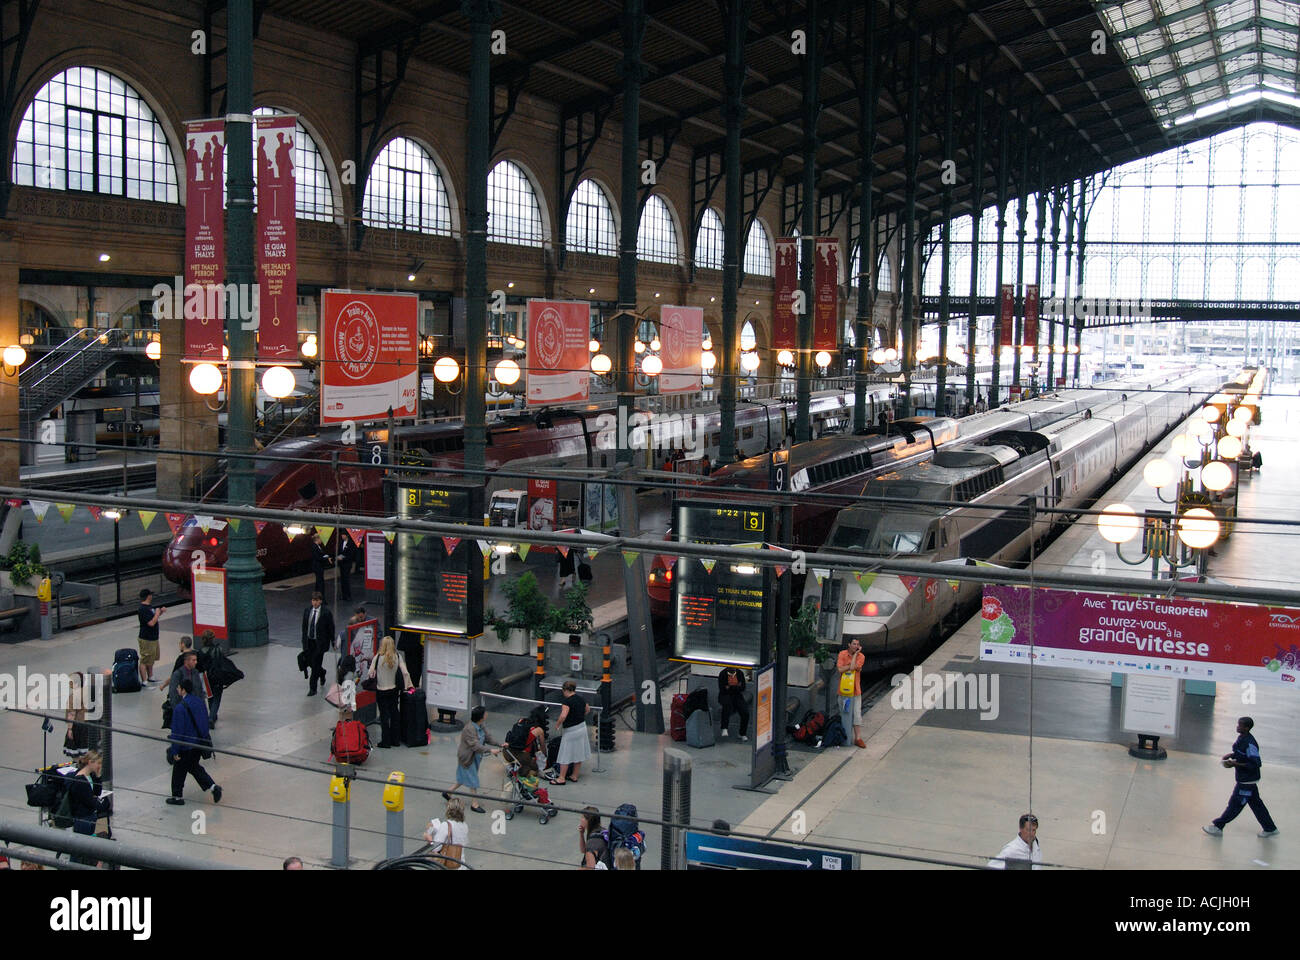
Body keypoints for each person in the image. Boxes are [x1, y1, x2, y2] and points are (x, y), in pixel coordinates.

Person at [1203, 717, 1279, 838]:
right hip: (1247, 780)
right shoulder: (1242, 738)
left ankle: (1218, 827)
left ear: (1247, 728)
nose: (1237, 727)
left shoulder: (1250, 744)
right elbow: (1242, 754)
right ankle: (1270, 828)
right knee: (1256, 805)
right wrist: (1232, 755)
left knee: (1235, 805)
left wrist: (1235, 764)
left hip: (1247, 782)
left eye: (1240, 725)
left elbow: (1255, 763)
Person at [166, 677, 221, 806]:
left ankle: (177, 797)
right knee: (194, 768)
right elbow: (204, 722)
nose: (177, 689)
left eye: (178, 688)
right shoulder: (199, 702)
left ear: (183, 690)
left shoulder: (180, 708)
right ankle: (213, 787)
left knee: (178, 772)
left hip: (186, 746)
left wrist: (175, 750)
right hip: (198, 744)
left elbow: (177, 732)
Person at [448, 705, 499, 813]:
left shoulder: (481, 725)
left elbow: (488, 738)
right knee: (473, 780)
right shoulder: (469, 729)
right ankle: (474, 804)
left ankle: (448, 792)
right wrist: (490, 750)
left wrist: (500, 744)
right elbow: (475, 746)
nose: (487, 714)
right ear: (481, 717)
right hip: (467, 758)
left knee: (463, 777)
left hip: (475, 757)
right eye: (485, 713)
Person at [368, 635, 414, 748]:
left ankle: (385, 741)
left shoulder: (378, 657)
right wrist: (409, 686)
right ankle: (395, 740)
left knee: (384, 716)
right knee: (394, 714)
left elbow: (370, 674)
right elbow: (405, 673)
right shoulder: (397, 656)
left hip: (381, 690)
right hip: (393, 690)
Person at [66, 750, 110, 843]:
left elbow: (97, 793)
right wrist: (101, 804)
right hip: (83, 818)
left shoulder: (89, 776)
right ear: (90, 762)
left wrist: (98, 776)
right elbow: (91, 802)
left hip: (90, 816)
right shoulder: (80, 781)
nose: (99, 766)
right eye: (98, 763)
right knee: (80, 848)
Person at [553, 680, 590, 784]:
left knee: (565, 753)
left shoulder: (567, 702)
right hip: (582, 727)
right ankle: (574, 775)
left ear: (565, 690)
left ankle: (561, 778)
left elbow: (563, 715)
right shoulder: (581, 699)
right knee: (579, 752)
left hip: (571, 730)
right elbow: (588, 709)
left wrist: (557, 724)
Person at [301, 592, 335, 697]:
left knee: (315, 664)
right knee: (310, 662)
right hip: (309, 641)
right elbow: (304, 627)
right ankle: (322, 672)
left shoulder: (326, 612)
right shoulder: (307, 611)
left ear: (320, 601)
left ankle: (313, 688)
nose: (314, 603)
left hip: (320, 643)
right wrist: (304, 640)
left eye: (316, 600)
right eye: (313, 600)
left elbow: (330, 627)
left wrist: (332, 641)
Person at [836, 637, 867, 748]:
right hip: (843, 690)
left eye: (857, 644)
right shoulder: (842, 654)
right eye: (854, 644)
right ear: (849, 644)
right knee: (844, 714)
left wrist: (854, 656)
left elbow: (854, 667)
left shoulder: (861, 656)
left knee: (857, 714)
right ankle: (843, 736)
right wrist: (850, 667)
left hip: (855, 691)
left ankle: (857, 738)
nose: (856, 646)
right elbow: (839, 669)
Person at [424, 796, 469, 869]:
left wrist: (429, 837)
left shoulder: (446, 825)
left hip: (448, 865)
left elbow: (436, 847)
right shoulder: (464, 825)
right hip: (461, 864)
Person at [137, 589, 165, 685]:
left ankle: (151, 676)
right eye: (151, 595)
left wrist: (160, 612)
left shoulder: (149, 607)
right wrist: (157, 613)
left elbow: (153, 617)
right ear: (148, 596)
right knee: (145, 659)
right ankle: (144, 681)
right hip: (146, 638)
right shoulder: (143, 609)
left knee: (151, 658)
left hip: (153, 637)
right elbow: (151, 623)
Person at [717, 665, 749, 742]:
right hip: (725, 695)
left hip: (737, 695)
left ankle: (742, 733)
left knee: (745, 712)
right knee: (727, 705)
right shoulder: (722, 674)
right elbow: (723, 689)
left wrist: (730, 687)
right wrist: (736, 686)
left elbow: (743, 687)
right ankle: (724, 727)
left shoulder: (740, 673)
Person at [63, 671, 91, 758]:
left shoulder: (73, 697)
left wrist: (70, 729)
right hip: (90, 725)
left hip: (78, 728)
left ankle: (80, 767)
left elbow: (71, 714)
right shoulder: (89, 693)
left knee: (77, 753)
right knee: (90, 750)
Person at [337, 535, 358, 602]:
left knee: (346, 579)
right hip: (341, 564)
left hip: (347, 564)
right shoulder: (341, 543)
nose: (342, 536)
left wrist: (344, 557)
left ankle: (348, 595)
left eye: (343, 535)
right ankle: (344, 595)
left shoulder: (351, 544)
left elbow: (351, 554)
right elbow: (339, 551)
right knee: (342, 579)